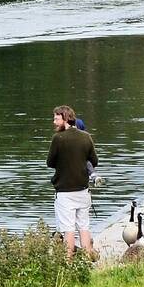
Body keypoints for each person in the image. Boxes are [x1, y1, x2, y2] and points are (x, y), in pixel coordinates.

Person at [47, 105, 98, 257]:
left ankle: (69, 264)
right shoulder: (86, 136)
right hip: (83, 191)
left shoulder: (58, 138)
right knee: (84, 227)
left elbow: (50, 162)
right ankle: (89, 260)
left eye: (56, 119)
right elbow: (94, 160)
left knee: (68, 229)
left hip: (64, 193)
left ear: (65, 118)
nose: (54, 122)